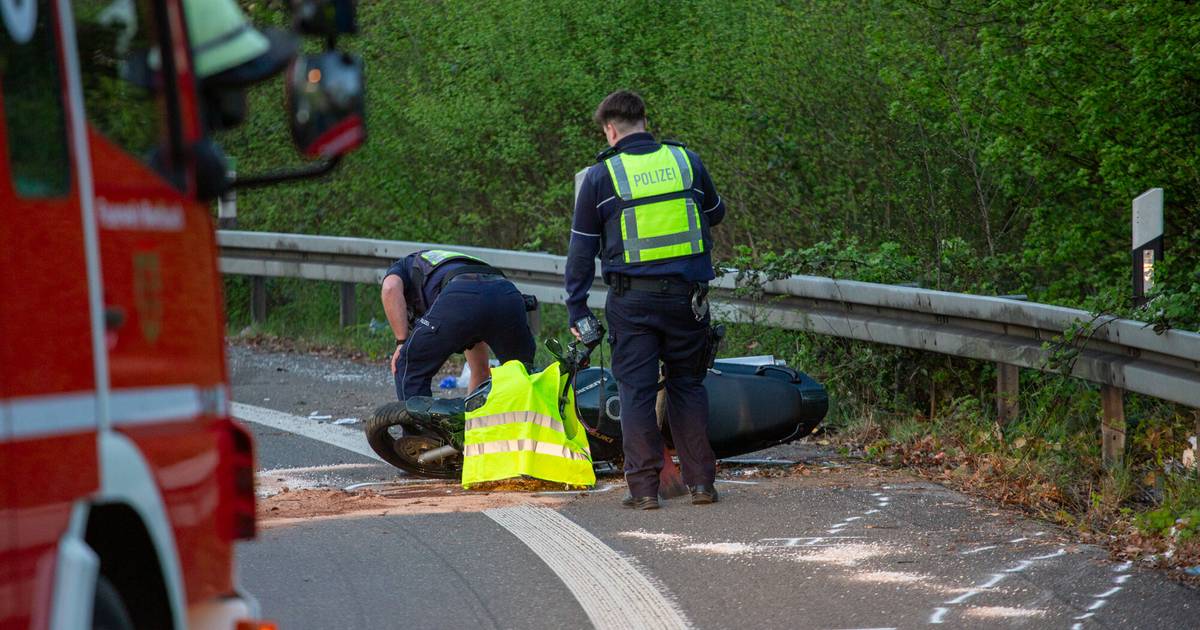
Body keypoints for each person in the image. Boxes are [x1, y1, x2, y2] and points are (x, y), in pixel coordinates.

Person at [564, 90, 726, 510]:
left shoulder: (602, 177)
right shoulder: (686, 161)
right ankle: (702, 484)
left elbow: (581, 251)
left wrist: (576, 308)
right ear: (645, 121)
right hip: (688, 300)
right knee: (687, 385)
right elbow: (715, 212)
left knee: (635, 391)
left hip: (632, 302)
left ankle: (643, 490)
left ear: (610, 130)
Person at [381, 249, 536, 400]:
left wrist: (401, 342)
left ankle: (417, 427)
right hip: (506, 293)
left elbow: (390, 287)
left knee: (409, 367)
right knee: (523, 374)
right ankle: (521, 422)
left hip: (460, 293)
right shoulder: (444, 266)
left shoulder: (403, 266)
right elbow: (480, 371)